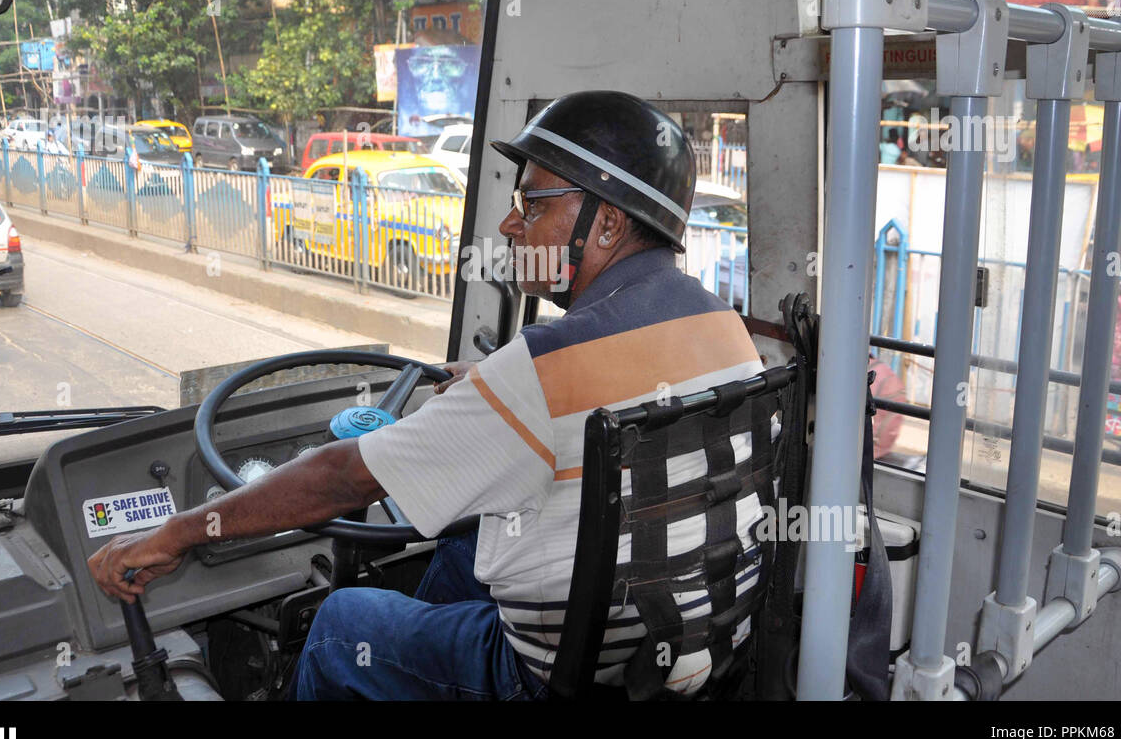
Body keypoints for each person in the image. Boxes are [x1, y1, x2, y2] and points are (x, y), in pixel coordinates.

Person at [88, 91, 764, 700]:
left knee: (340, 624)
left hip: (552, 676)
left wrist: (178, 532)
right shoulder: (718, 325)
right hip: (671, 650)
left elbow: (341, 478)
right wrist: (494, 389)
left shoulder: (545, 368)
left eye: (534, 203)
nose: (510, 225)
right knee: (462, 544)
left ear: (608, 224)